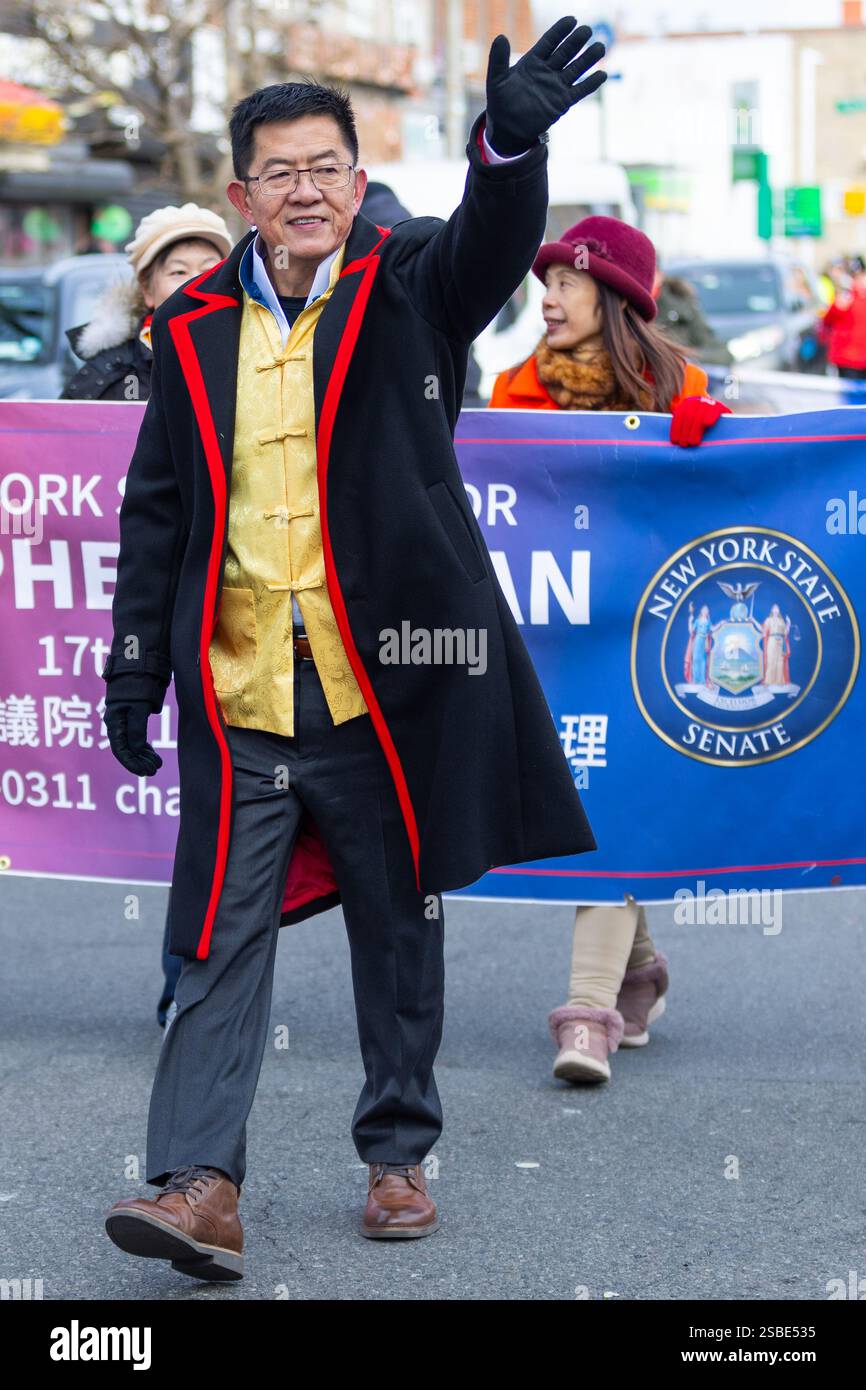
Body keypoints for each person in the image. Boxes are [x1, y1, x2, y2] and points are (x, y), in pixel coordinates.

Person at [101, 17, 606, 1279]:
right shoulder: (195, 326)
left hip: (383, 685)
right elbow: (159, 502)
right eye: (279, 170)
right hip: (240, 691)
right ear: (240, 195)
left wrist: (504, 149)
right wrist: (132, 662)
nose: (307, 189)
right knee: (214, 938)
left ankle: (395, 1151)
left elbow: (490, 247)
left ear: (358, 173)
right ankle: (199, 1184)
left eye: (327, 164)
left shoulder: (408, 281)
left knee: (395, 921)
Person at [490, 214, 731, 1083]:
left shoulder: (689, 386)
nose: (547, 297)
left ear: (616, 297)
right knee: (587, 804)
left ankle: (586, 1011)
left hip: (653, 643)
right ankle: (641, 969)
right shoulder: (511, 390)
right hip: (556, 639)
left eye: (566, 281)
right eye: (544, 282)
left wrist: (713, 451)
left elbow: (735, 516)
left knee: (609, 805)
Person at [62, 204, 232, 403]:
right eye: (179, 272)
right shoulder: (108, 374)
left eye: (209, 271)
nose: (195, 285)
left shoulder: (254, 356)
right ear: (147, 289)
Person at [652, 263, 733, 365]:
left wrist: (685, 360)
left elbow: (719, 353)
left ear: (660, 276)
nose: (644, 281)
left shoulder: (681, 305)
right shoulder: (629, 310)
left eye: (649, 274)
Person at [818, 257, 866, 380]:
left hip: (852, 357)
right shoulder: (846, 296)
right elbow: (829, 319)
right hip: (848, 359)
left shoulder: (849, 295)